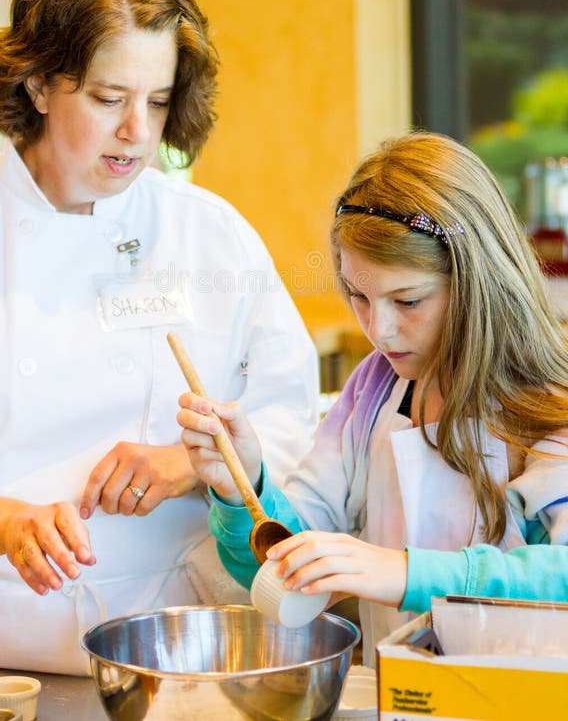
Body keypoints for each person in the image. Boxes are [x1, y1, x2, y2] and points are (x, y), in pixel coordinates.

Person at [0, 0, 319, 674]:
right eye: (107, 98)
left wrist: (194, 463)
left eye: (157, 101)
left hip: (183, 642)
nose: (138, 131)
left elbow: (292, 418)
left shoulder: (209, 233)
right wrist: (3, 522)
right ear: (36, 83)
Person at [178, 131, 568, 665]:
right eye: (358, 295)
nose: (378, 330)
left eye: (407, 300)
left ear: (480, 283)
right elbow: (289, 570)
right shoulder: (375, 390)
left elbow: (561, 576)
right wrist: (241, 487)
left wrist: (402, 571)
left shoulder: (551, 399)